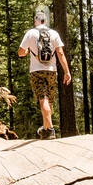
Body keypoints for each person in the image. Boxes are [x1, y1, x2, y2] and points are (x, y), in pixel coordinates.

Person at [18, 10, 71, 139]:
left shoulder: (31, 33)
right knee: (49, 101)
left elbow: (20, 52)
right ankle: (46, 128)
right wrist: (67, 71)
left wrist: (27, 52)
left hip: (36, 71)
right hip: (52, 70)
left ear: (35, 21)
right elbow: (60, 53)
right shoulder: (54, 34)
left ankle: (50, 129)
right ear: (45, 21)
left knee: (43, 100)